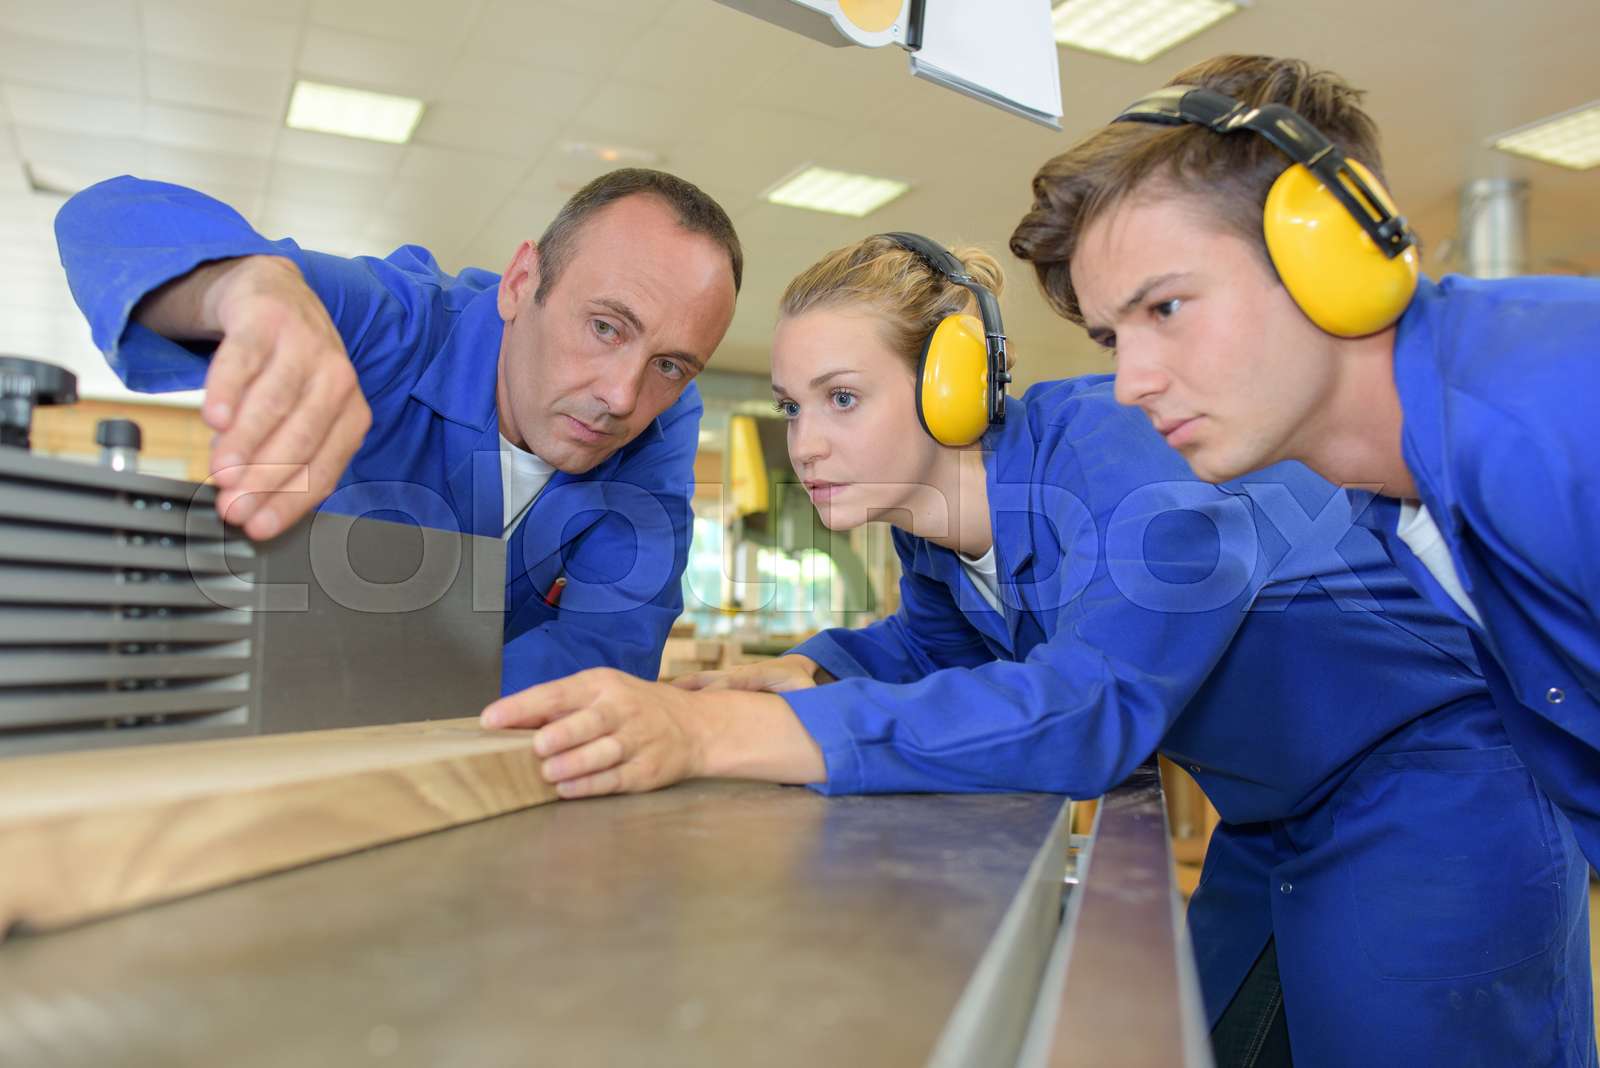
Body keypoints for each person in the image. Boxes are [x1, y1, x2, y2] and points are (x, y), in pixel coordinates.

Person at [480, 233, 1593, 1068]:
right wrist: (796, 671)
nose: (805, 443)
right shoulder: (937, 532)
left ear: (954, 384)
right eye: (789, 404)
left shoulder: (1113, 449)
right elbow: (927, 643)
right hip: (1276, 822)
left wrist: (719, 729)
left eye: (843, 398)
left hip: (1433, 797)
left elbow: (1089, 705)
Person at [1007, 52, 1600, 879]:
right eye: (1113, 338)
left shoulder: (1560, 414)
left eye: (1166, 307)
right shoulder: (1396, 490)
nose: (1131, 382)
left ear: (1336, 253)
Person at [54, 169, 741, 691]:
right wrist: (244, 287)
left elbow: (607, 652)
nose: (622, 396)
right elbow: (104, 218)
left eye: (671, 363)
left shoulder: (665, 416)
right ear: (520, 281)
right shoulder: (397, 324)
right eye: (604, 327)